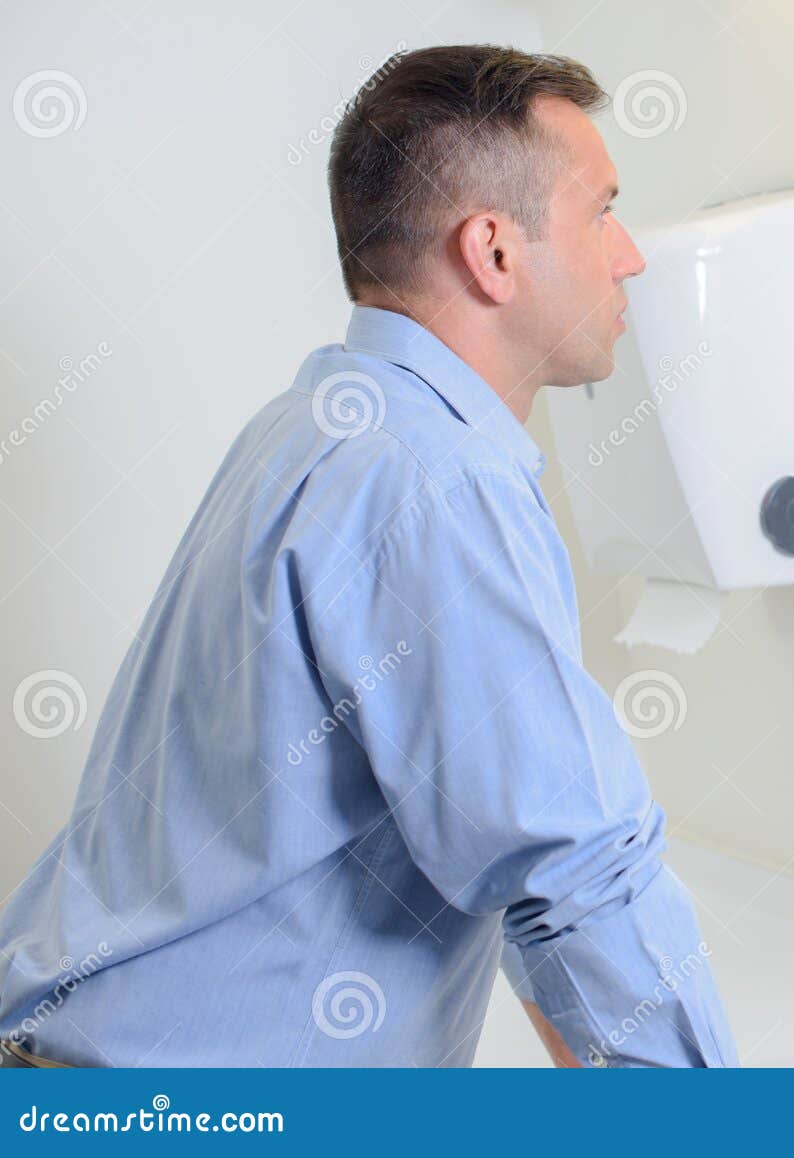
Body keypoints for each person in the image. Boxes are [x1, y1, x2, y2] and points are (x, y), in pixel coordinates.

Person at [0, 45, 737, 1069]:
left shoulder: (316, 425)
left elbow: (499, 841)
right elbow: (575, 874)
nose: (629, 257)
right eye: (601, 212)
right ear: (493, 251)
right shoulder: (434, 481)